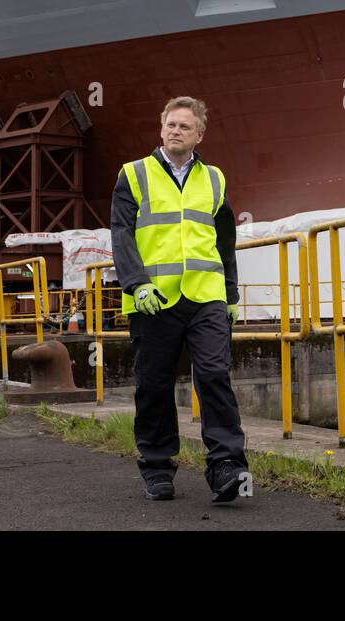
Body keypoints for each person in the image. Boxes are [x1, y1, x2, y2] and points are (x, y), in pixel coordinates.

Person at [110, 95, 248, 503]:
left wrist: (231, 295)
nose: (175, 131)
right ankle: (156, 467)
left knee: (214, 376)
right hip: (154, 299)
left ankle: (226, 465)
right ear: (161, 129)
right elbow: (121, 233)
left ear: (199, 135)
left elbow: (225, 241)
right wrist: (137, 285)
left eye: (184, 126)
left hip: (206, 297)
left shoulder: (215, 179)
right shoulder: (133, 175)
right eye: (170, 124)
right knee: (153, 384)